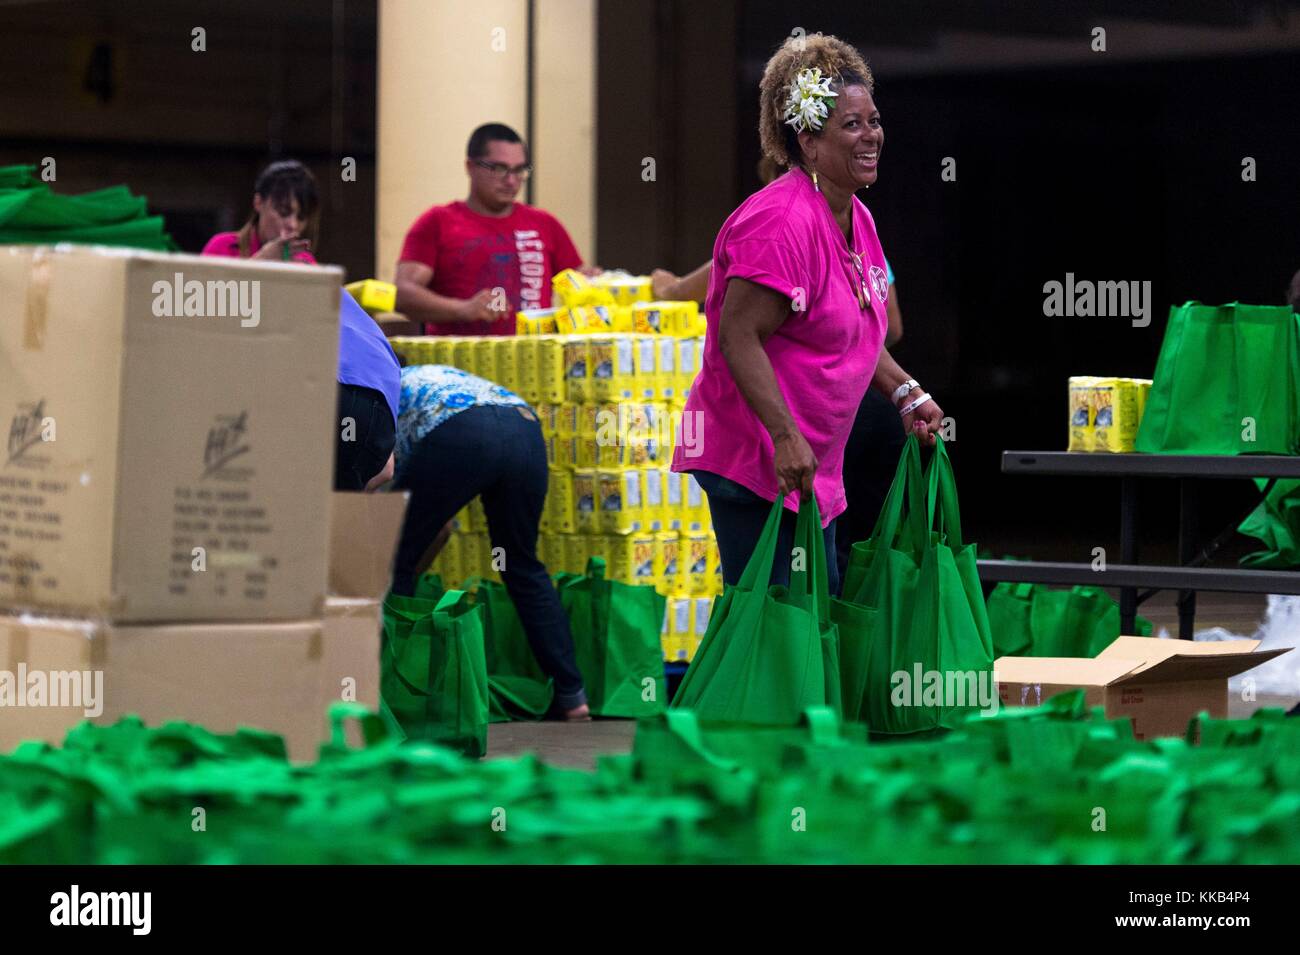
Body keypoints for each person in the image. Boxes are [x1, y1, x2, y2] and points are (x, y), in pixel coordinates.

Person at [670, 33, 943, 598]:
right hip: (758, 461)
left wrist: (905, 392)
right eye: (851, 125)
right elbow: (737, 336)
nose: (871, 136)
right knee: (775, 632)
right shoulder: (781, 222)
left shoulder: (856, 219)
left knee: (811, 625)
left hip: (814, 465)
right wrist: (784, 436)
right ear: (808, 142)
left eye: (873, 120)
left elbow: (856, 335)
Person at [389, 363, 589, 720]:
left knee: (393, 557)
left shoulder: (387, 395)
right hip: (523, 427)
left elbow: (388, 495)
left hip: (461, 433)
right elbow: (442, 525)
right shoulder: (435, 378)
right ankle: (573, 698)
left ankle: (394, 693)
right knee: (520, 565)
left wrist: (398, 575)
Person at [202, 159, 400, 491]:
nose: (291, 225)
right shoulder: (223, 248)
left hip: (326, 394)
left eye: (301, 216)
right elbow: (205, 312)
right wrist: (261, 262)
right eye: (283, 211)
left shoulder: (301, 262)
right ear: (258, 202)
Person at [394, 123, 595, 337]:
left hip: (536, 360)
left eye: (519, 170)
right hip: (458, 365)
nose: (511, 181)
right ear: (470, 167)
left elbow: (577, 286)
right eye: (499, 169)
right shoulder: (438, 221)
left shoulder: (545, 223)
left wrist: (597, 284)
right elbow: (402, 294)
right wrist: (462, 309)